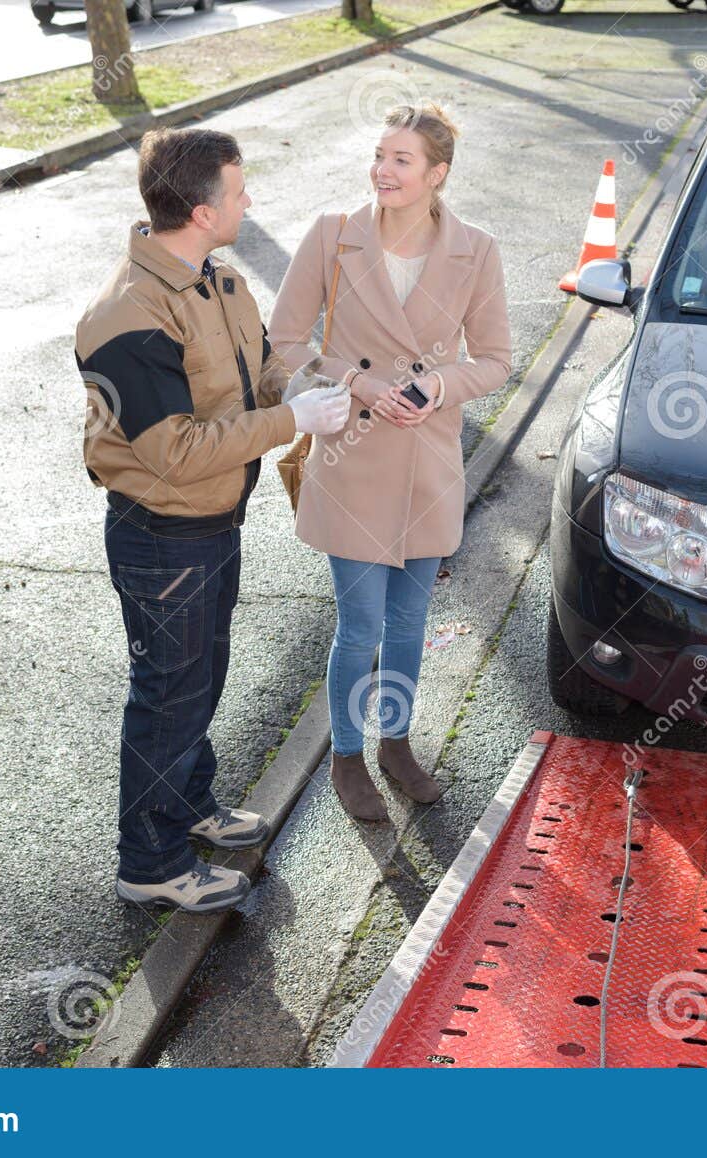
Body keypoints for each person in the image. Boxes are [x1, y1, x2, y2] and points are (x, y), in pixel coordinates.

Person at [76, 127, 350, 911]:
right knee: (167, 692)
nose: (248, 200)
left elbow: (255, 371)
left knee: (199, 679)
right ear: (202, 209)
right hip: (162, 531)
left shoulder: (218, 280)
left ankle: (189, 805)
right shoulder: (126, 313)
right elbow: (176, 452)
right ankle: (150, 861)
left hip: (211, 521)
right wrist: (294, 419)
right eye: (238, 190)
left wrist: (315, 382)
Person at [269, 103, 512, 822]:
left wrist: (438, 385)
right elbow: (284, 340)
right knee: (362, 626)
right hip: (353, 458)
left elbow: (496, 360)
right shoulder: (332, 236)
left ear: (437, 174)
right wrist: (359, 381)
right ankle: (347, 755)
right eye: (379, 155)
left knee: (409, 625)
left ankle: (396, 744)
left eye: (402, 160)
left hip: (428, 459)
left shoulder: (477, 249)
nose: (383, 170)